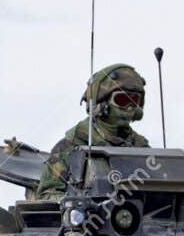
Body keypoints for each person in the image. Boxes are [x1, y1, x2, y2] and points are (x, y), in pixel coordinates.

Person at [36, 63, 150, 198]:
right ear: (102, 103)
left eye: (134, 101)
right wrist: (75, 204)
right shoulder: (70, 147)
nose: (130, 108)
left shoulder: (141, 148)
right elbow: (47, 195)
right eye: (122, 99)